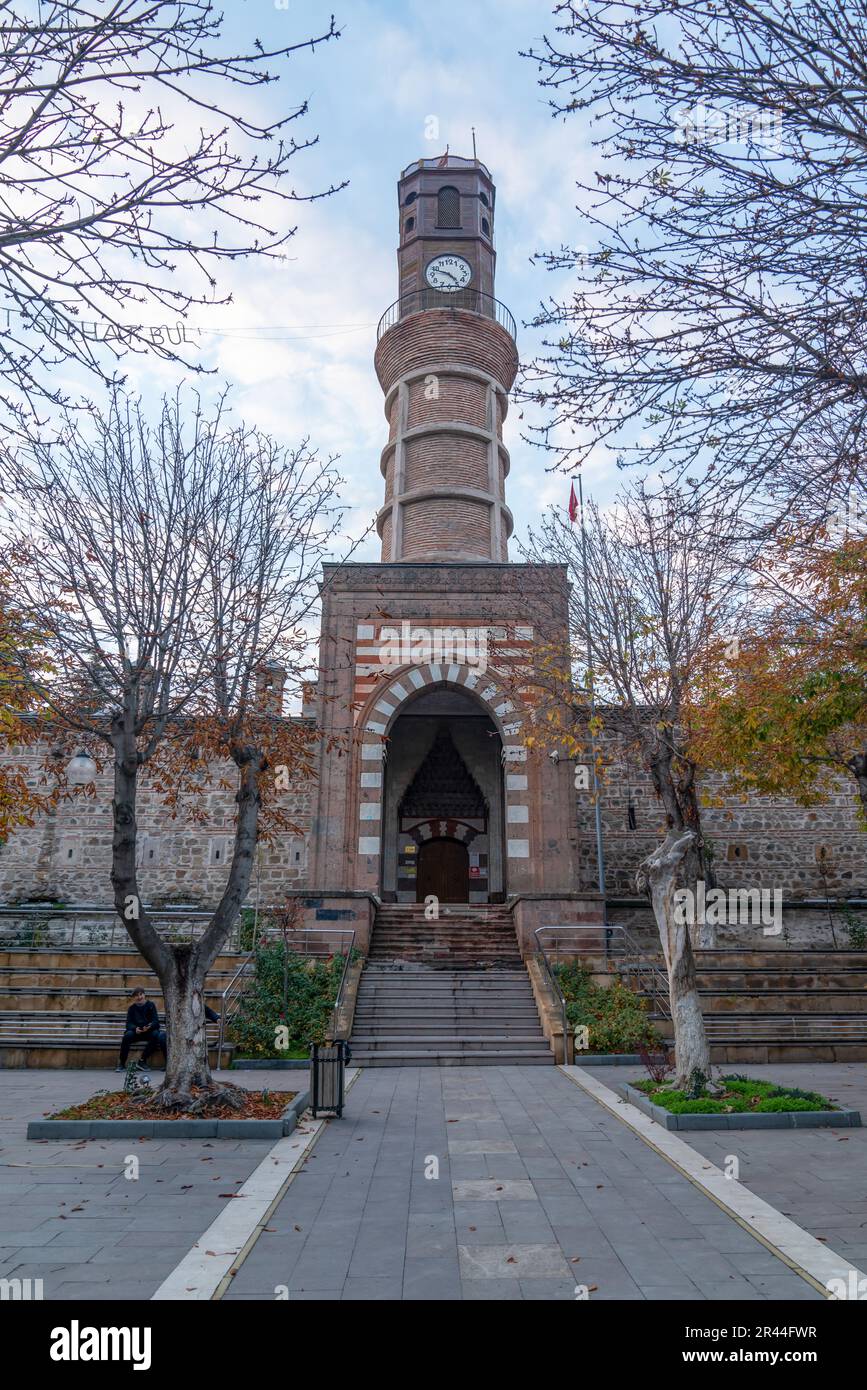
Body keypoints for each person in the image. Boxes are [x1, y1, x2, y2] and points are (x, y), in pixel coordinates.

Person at [115, 988, 166, 1072]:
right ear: (133, 998)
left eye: (140, 994)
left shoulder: (150, 1005)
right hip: (136, 1033)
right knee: (127, 1036)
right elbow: (128, 1024)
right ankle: (122, 1064)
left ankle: (142, 1061)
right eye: (136, 995)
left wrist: (150, 1026)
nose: (139, 997)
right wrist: (135, 1028)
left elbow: (155, 1021)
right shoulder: (131, 1008)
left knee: (157, 1035)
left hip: (148, 1032)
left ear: (144, 995)